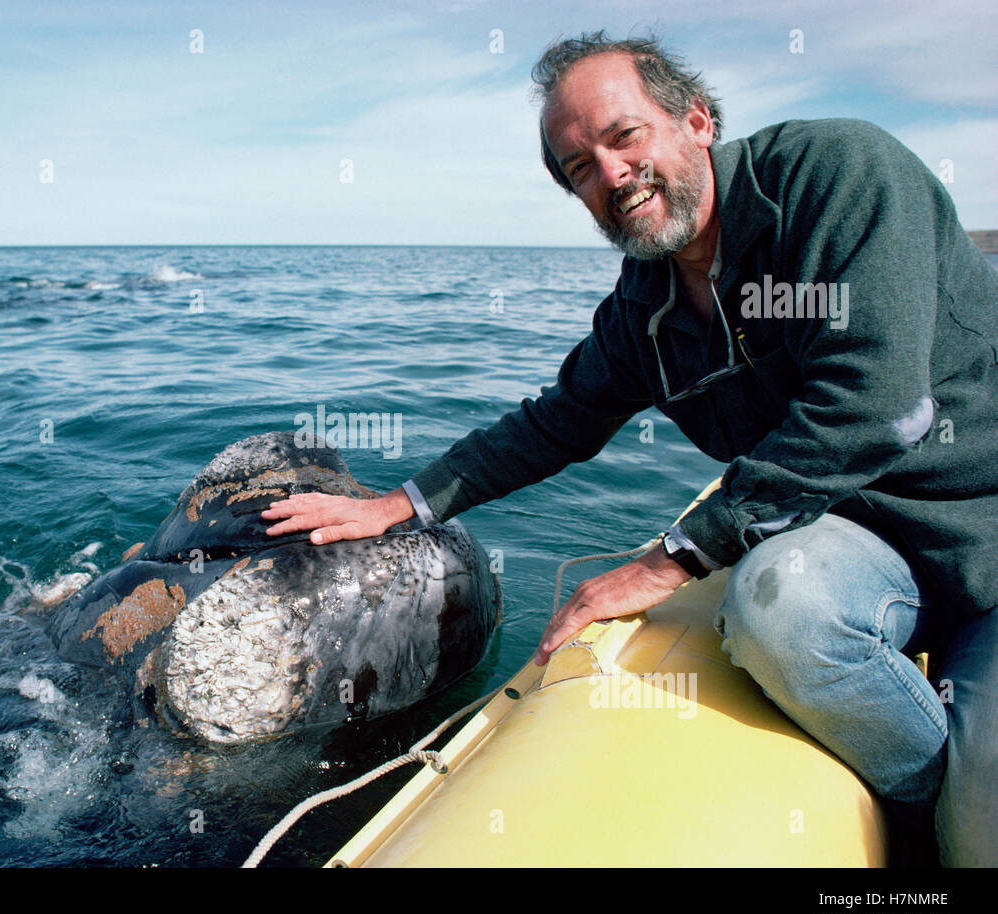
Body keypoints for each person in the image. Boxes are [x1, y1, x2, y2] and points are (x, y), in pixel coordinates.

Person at [261, 31, 998, 867]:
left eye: (624, 137)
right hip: (858, 540)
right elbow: (556, 421)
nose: (611, 175)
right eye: (579, 167)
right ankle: (924, 808)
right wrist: (397, 505)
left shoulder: (838, 176)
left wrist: (668, 560)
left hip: (985, 537)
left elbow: (881, 409)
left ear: (697, 121)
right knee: (778, 604)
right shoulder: (642, 309)